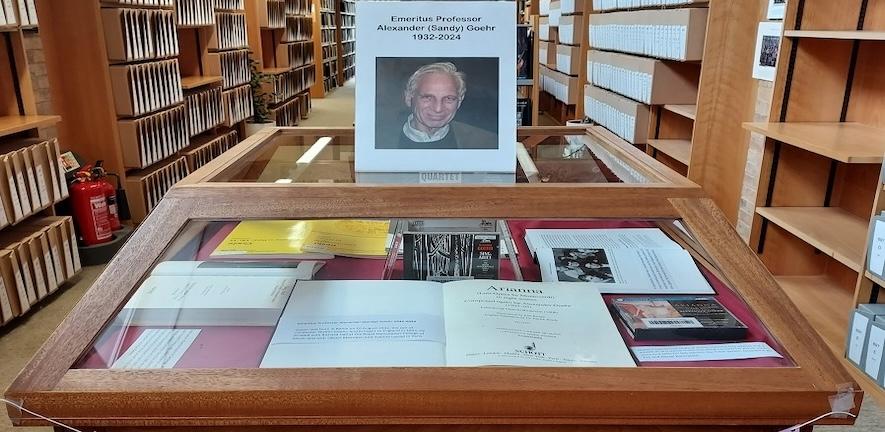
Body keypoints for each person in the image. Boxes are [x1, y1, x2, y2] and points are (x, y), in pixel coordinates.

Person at [395, 62, 497, 149]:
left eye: (449, 99)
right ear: (409, 98)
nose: (438, 109)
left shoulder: (487, 143)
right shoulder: (381, 138)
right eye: (428, 97)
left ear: (459, 101)